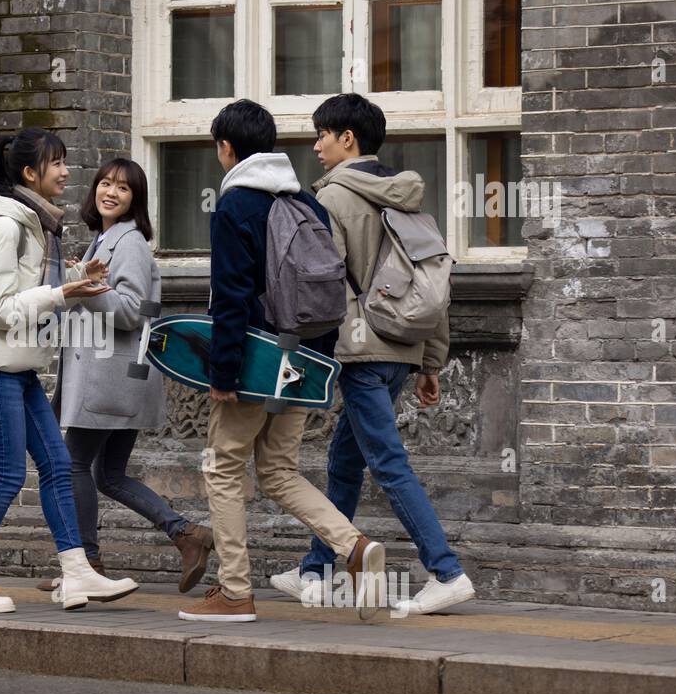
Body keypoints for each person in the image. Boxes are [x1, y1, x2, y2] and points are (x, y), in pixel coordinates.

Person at [268, 93, 475, 616]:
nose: (315, 146)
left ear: (347, 139)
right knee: (344, 461)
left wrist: (296, 350)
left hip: (359, 354)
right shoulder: (408, 199)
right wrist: (430, 362)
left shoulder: (334, 200)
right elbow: (435, 288)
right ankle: (316, 571)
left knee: (388, 463)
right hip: (400, 351)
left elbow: (321, 284)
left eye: (321, 135)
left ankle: (446, 571)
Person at [179, 99, 385, 623]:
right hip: (304, 358)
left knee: (223, 467)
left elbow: (229, 297)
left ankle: (233, 591)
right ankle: (355, 547)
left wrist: (222, 374)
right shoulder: (306, 203)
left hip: (254, 360)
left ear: (226, 148)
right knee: (278, 470)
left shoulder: (234, 206)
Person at [0, 128, 141, 614]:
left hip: (21, 368)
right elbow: (0, 309)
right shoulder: (6, 226)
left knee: (55, 467)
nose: (67, 171)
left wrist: (77, 278)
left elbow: (31, 285)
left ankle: (77, 575)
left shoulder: (36, 224)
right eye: (57, 163)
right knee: (7, 477)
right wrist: (63, 294)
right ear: (31, 173)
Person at [37, 158, 214, 596]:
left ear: (137, 199)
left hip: (109, 377)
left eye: (123, 187)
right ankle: (186, 534)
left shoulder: (129, 242)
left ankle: (86, 563)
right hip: (113, 376)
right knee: (108, 474)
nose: (110, 192)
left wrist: (85, 288)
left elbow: (133, 309)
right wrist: (83, 278)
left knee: (72, 464)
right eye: (105, 183)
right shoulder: (106, 240)